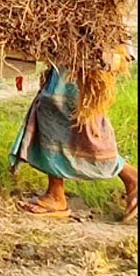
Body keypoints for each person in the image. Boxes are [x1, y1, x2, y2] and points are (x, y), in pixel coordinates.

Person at [9, 43, 138, 222]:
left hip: (89, 49)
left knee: (69, 110)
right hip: (76, 48)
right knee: (58, 106)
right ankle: (55, 192)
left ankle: (130, 176)